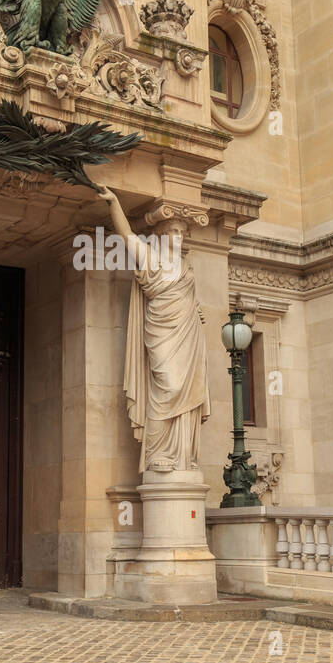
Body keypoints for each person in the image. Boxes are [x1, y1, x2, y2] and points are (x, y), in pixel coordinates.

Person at [97, 185, 209, 474]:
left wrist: (196, 311)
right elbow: (127, 236)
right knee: (167, 387)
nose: (178, 236)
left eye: (181, 232)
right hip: (162, 334)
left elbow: (189, 298)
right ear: (161, 235)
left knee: (187, 392)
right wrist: (114, 203)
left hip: (188, 333)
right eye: (172, 231)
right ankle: (159, 452)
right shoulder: (151, 258)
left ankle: (183, 456)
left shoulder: (186, 265)